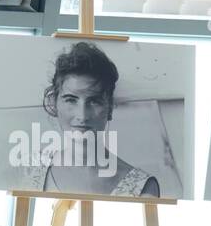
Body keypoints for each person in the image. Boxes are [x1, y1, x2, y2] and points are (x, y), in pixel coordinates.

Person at [32, 40, 160, 198]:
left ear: (110, 107)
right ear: (55, 103)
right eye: (71, 100)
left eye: (94, 101)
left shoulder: (142, 189)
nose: (82, 116)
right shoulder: (32, 168)